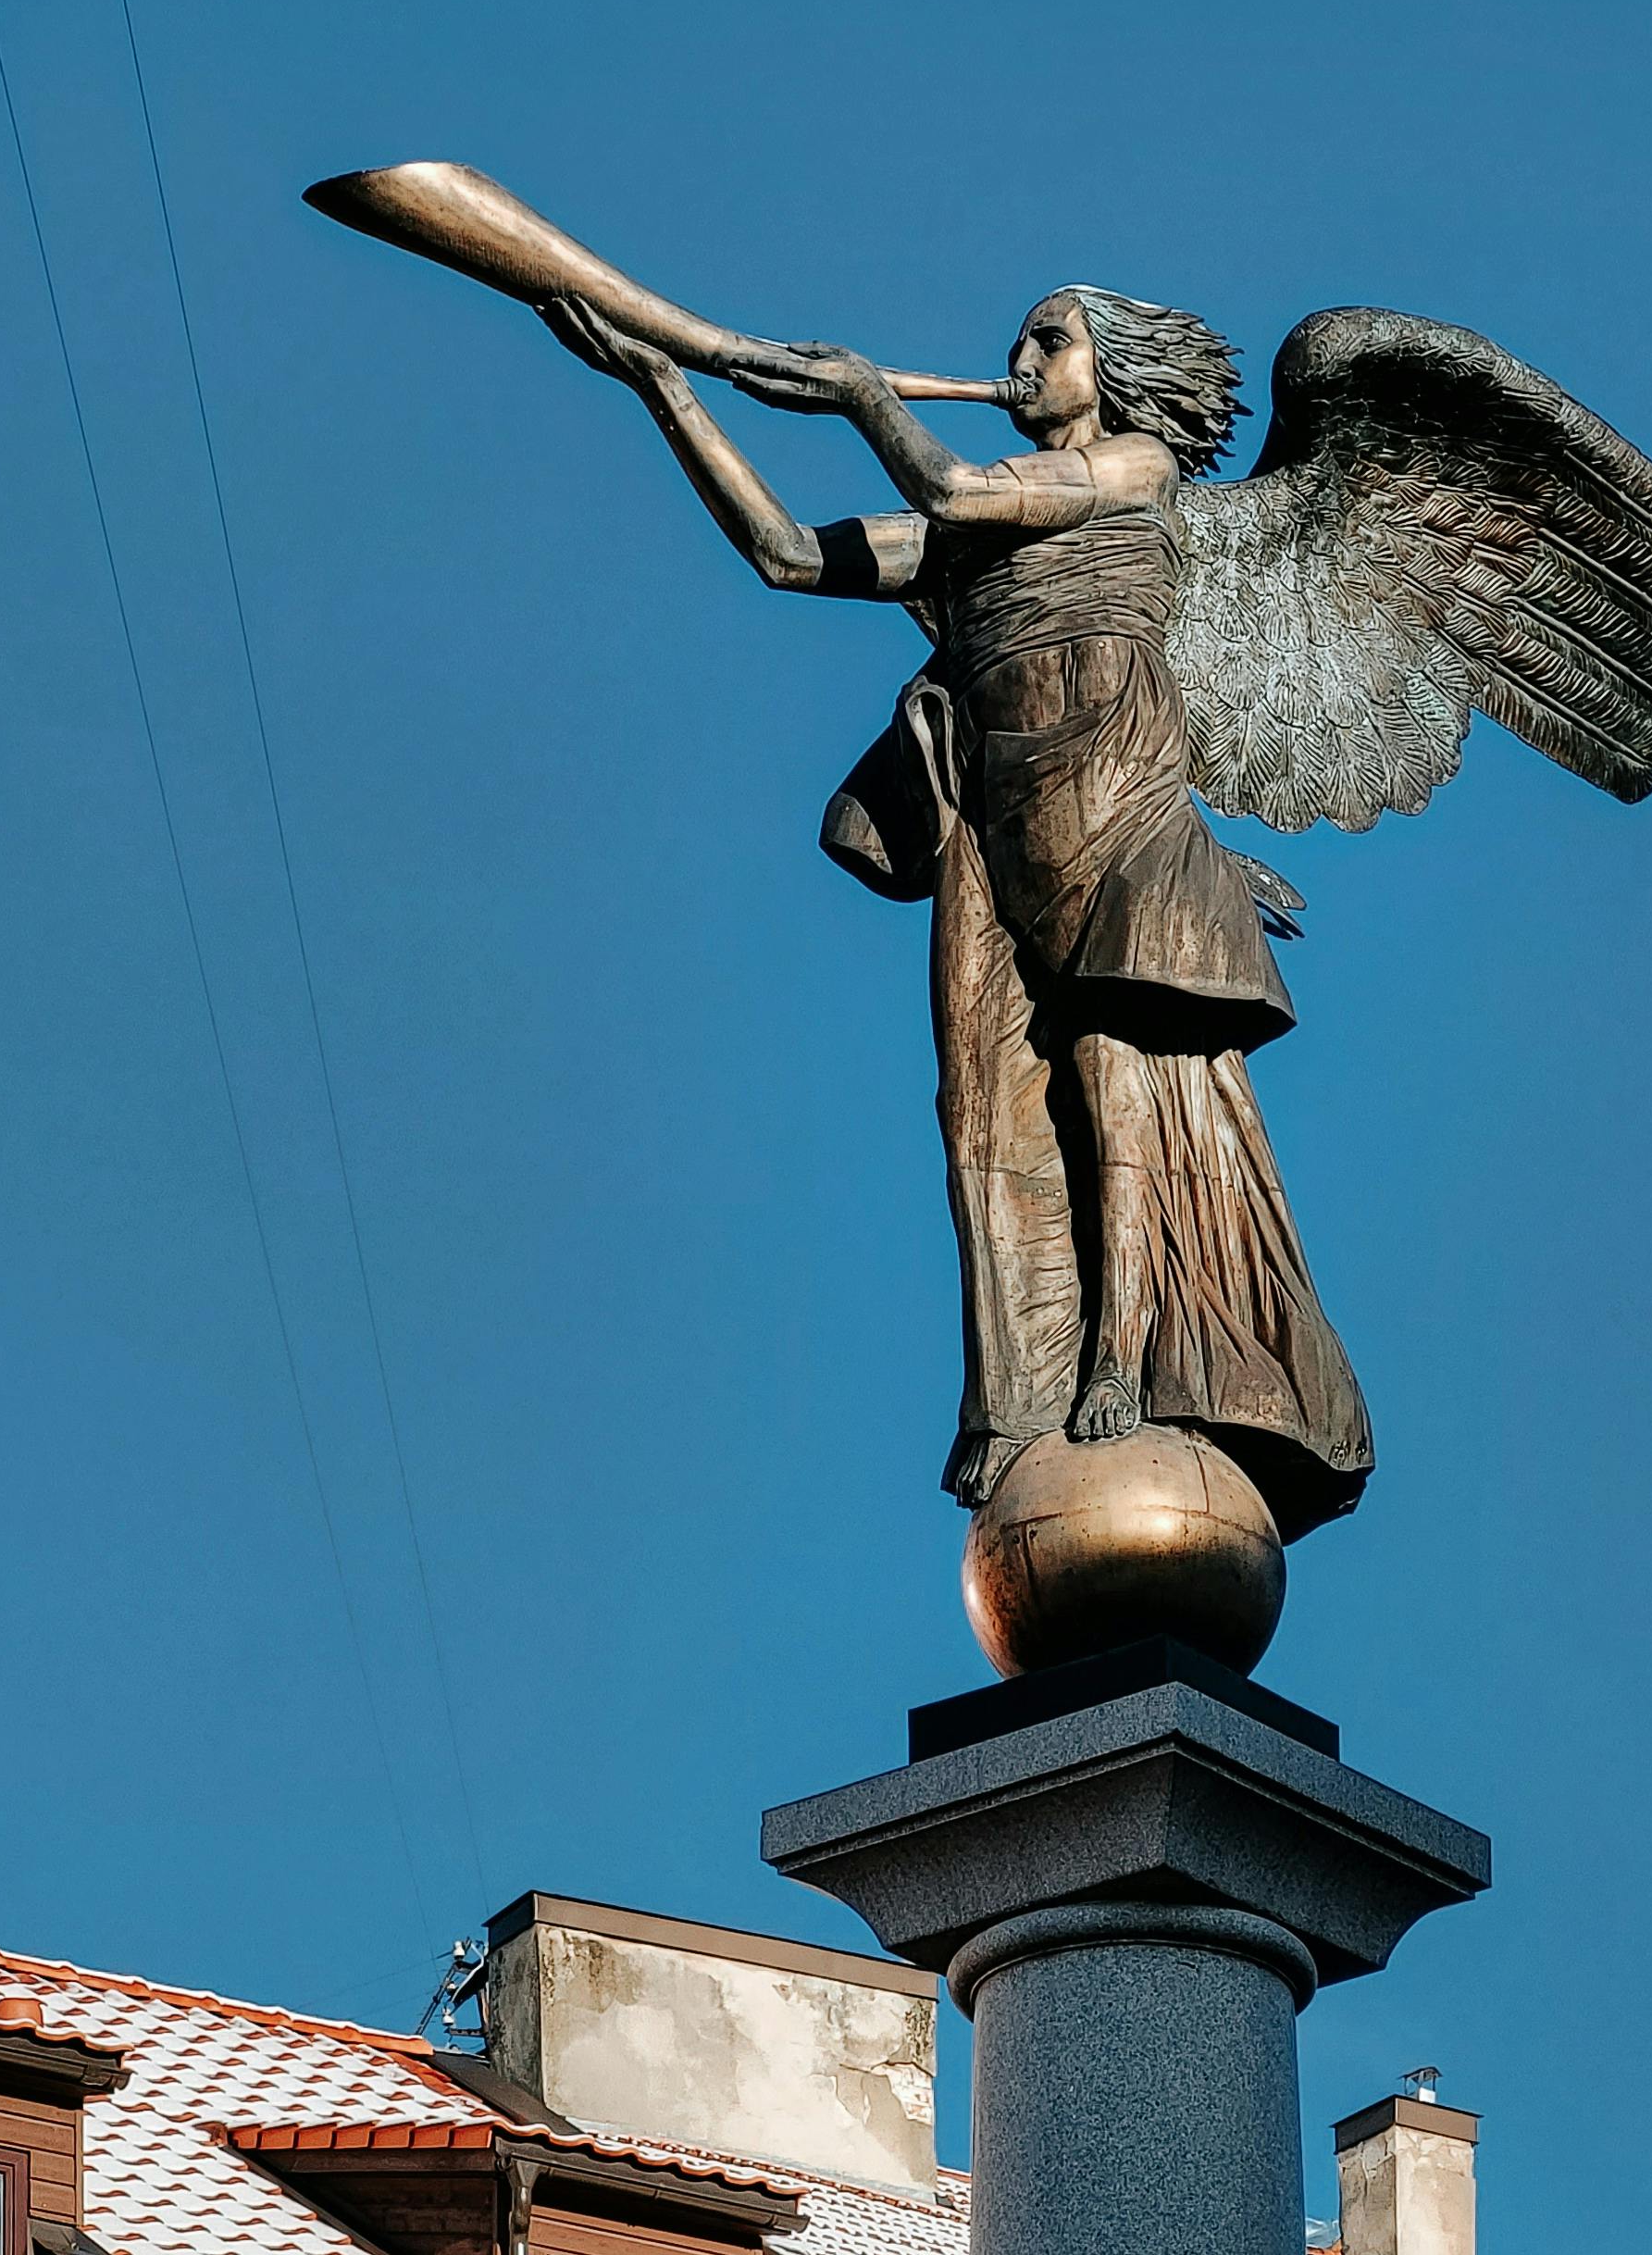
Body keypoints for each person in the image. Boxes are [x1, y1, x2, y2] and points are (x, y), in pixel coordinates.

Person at [540, 281, 1372, 1539]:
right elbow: (786, 553)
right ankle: (1035, 1375)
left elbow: (965, 493)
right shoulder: (977, 531)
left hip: (1126, 816)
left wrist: (868, 394)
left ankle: (1126, 1357)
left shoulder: (1138, 469)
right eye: (1023, 341)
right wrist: (667, 390)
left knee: (1109, 1074)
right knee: (990, 1112)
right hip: (1006, 837)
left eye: (1052, 341)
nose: (1021, 359)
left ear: (1119, 369)